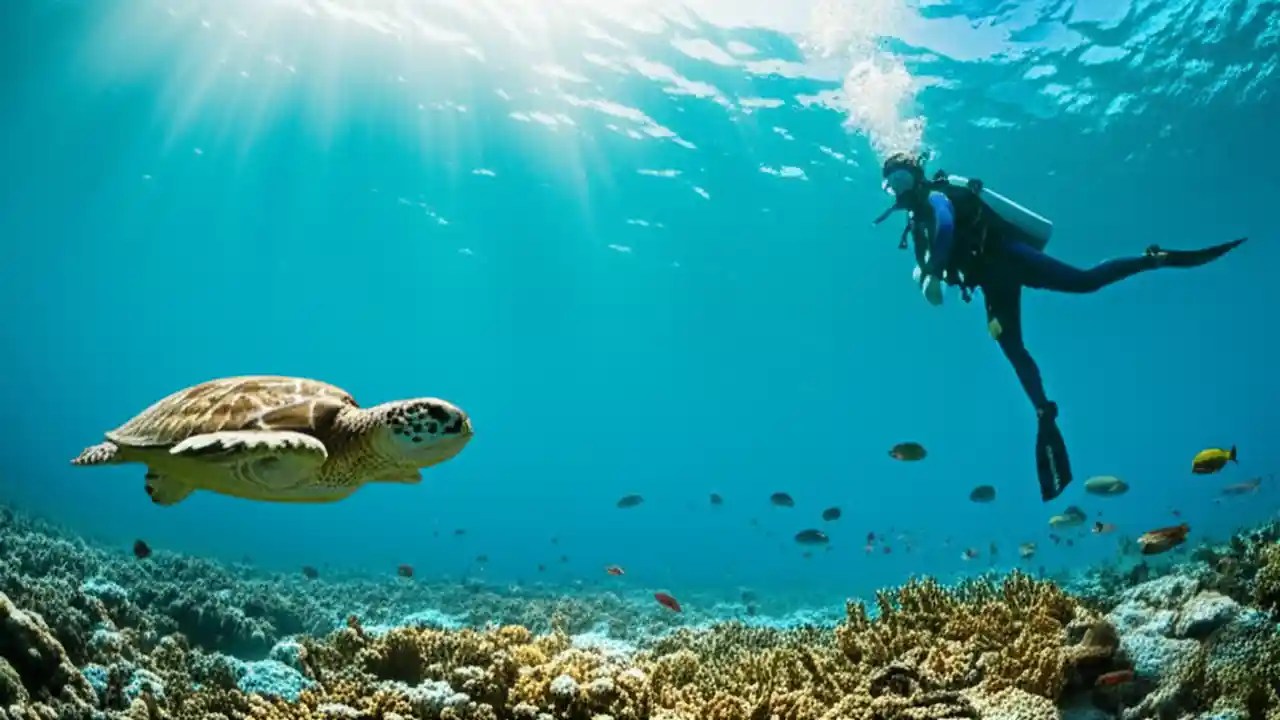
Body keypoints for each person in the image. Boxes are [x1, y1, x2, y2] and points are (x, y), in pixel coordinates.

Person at [874, 152, 1246, 501]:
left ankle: (1152, 260)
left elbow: (948, 227)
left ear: (918, 177)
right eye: (892, 185)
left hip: (1009, 258)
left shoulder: (937, 198)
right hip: (992, 285)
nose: (900, 190)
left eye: (903, 179)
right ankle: (1042, 411)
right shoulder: (914, 221)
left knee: (1084, 282)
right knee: (1012, 349)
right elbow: (930, 255)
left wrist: (934, 270)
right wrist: (927, 273)